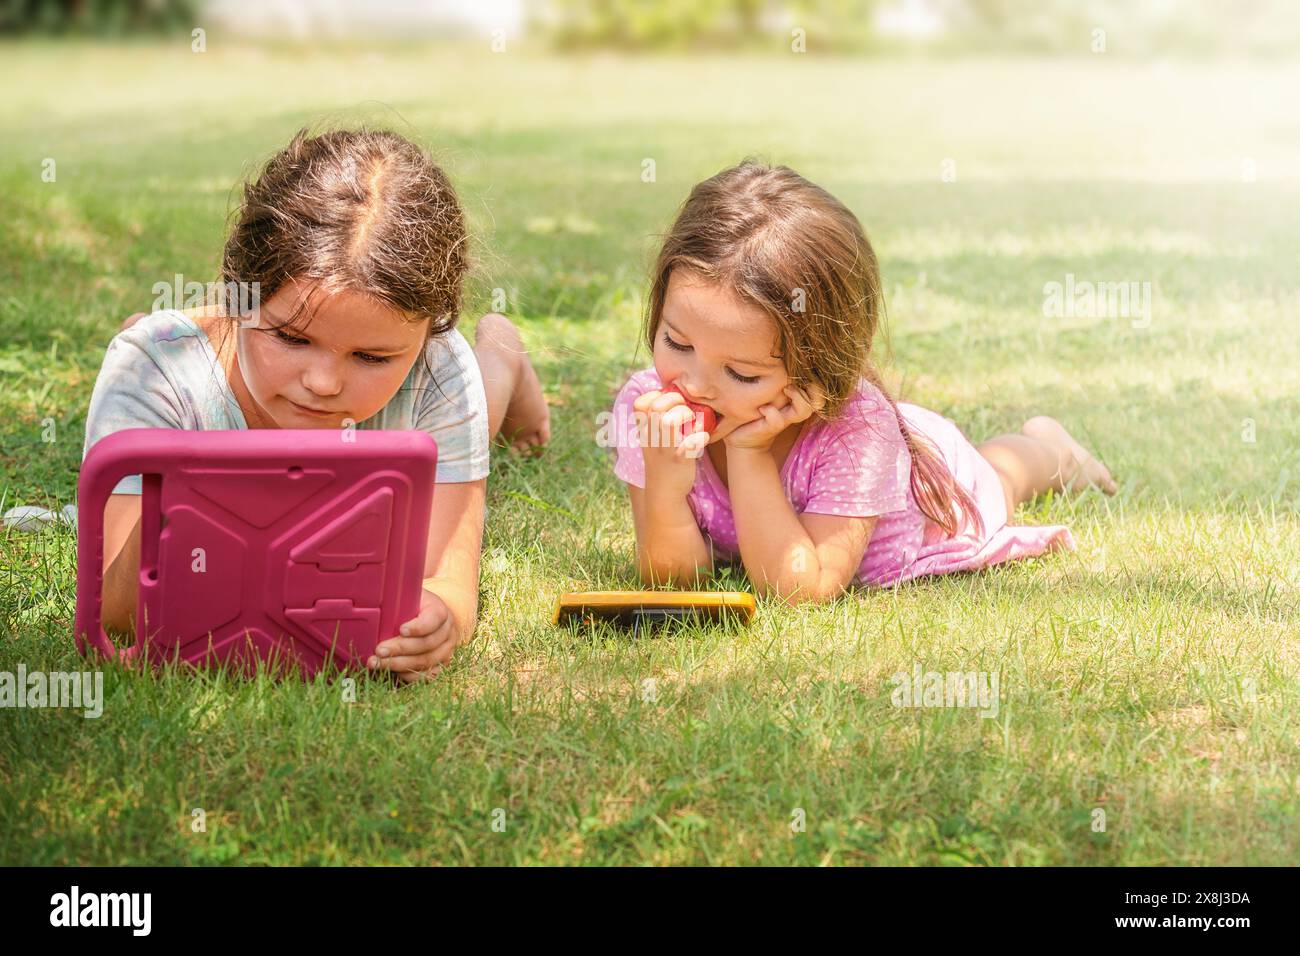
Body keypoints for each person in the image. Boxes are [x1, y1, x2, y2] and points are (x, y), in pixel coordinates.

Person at [84, 127, 550, 680]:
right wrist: (188, 462)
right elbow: (117, 610)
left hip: (444, 385)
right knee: (156, 349)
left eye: (372, 357)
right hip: (191, 354)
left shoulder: (437, 371)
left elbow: (448, 584)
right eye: (292, 339)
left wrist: (439, 617)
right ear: (236, 294)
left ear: (427, 334)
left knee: (481, 393)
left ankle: (501, 354)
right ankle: (178, 328)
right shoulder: (156, 375)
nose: (325, 384)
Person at [610, 160, 1117, 602]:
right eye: (677, 343)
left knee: (1000, 478)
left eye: (741, 373)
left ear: (816, 367)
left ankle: (1053, 449)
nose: (695, 385)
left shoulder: (857, 433)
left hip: (932, 486)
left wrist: (749, 455)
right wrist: (663, 484)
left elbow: (799, 591)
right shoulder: (648, 409)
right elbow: (675, 583)